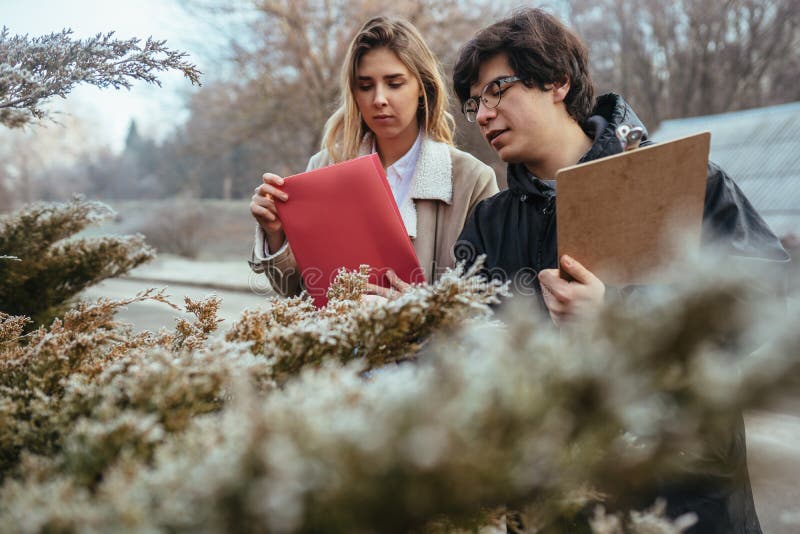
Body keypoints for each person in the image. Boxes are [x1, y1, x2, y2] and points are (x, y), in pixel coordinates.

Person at [451, 7, 789, 533]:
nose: (485, 114)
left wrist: (620, 311)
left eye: (497, 90)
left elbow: (762, 293)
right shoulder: (488, 222)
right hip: (551, 501)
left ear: (557, 81)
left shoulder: (679, 179)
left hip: (686, 494)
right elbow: (473, 353)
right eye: (476, 104)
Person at [248, 16, 498, 297]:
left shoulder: (473, 180)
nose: (379, 99)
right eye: (365, 86)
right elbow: (294, 291)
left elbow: (487, 307)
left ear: (422, 88)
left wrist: (418, 311)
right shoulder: (323, 167)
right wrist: (276, 233)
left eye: (394, 83)